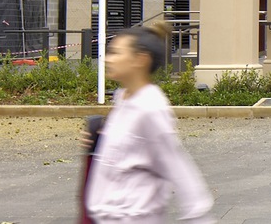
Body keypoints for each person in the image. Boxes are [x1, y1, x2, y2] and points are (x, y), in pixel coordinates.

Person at [83, 18, 213, 221]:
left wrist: (198, 215)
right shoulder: (123, 97)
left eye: (116, 53)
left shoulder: (151, 107)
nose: (108, 59)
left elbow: (176, 164)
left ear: (140, 60)